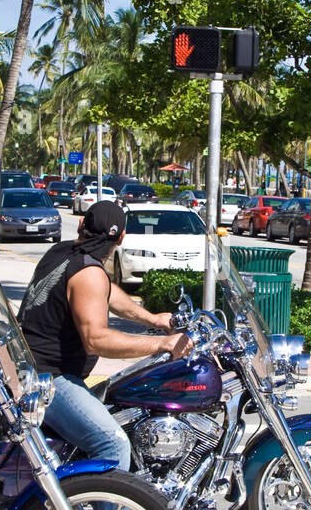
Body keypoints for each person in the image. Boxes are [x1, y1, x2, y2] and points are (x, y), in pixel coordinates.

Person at [19, 201, 191, 473]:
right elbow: (96, 339)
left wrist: (154, 319)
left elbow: (106, 292)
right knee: (113, 443)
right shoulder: (89, 273)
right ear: (121, 238)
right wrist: (163, 342)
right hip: (50, 379)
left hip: (29, 367)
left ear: (80, 225)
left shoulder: (61, 253)